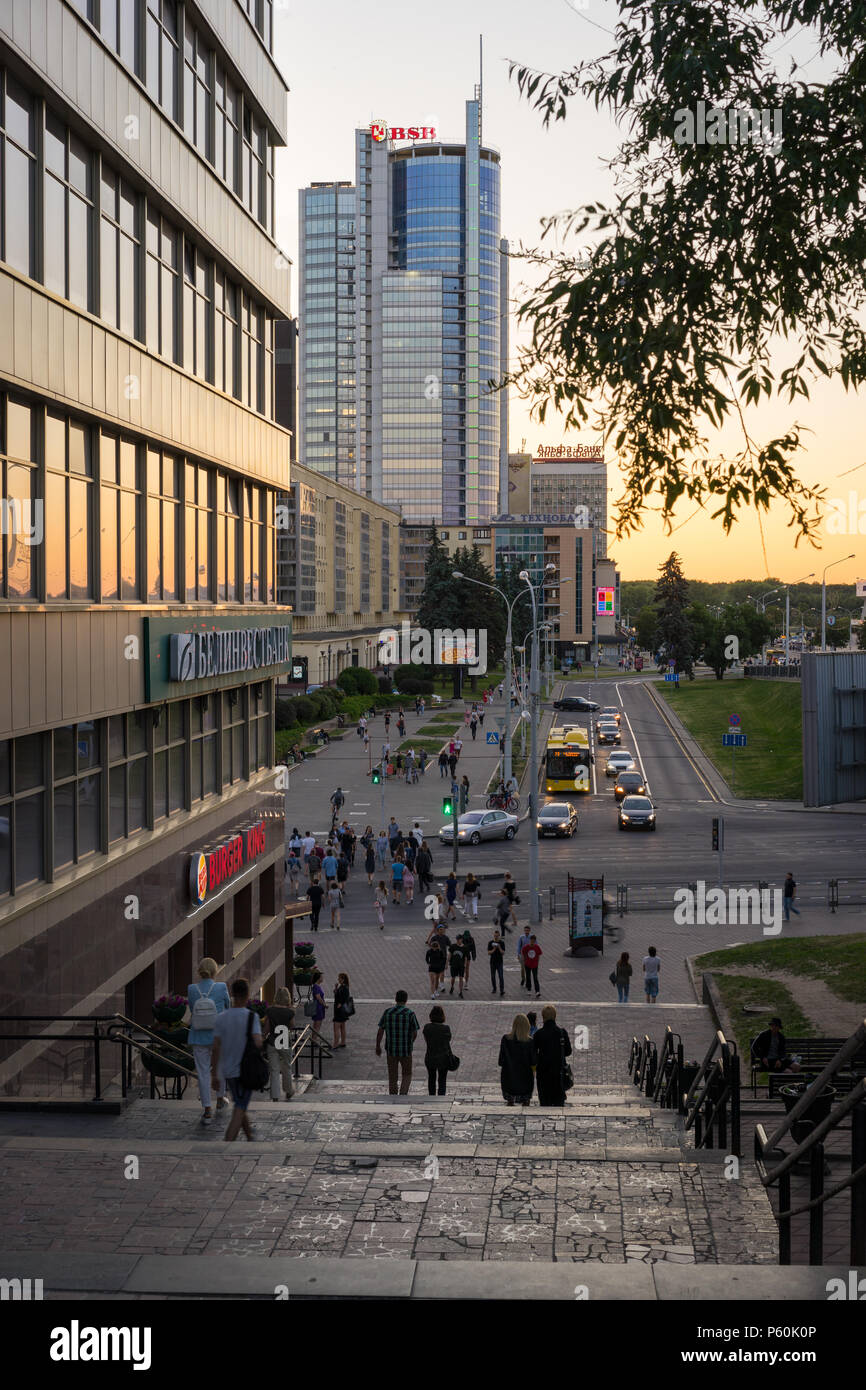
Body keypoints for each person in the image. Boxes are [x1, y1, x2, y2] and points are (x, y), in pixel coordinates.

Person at [210, 977, 263, 1142]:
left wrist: (214, 1075)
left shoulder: (221, 1018)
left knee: (240, 1103)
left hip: (228, 1071)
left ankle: (250, 1137)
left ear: (232, 994)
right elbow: (258, 1042)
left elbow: (216, 1048)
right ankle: (227, 1143)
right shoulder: (251, 1017)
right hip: (245, 1071)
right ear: (247, 994)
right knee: (240, 1108)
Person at [187, 958, 231, 1126]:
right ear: (214, 971)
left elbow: (192, 1009)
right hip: (218, 1036)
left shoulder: (192, 989)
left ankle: (207, 1110)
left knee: (203, 1072)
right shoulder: (221, 987)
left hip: (198, 1036)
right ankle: (220, 1099)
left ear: (200, 971)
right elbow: (227, 1007)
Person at [376, 990, 420, 1095]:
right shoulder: (410, 1014)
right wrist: (410, 1042)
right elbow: (415, 1033)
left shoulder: (387, 1012)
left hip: (391, 1049)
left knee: (392, 1076)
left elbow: (380, 1030)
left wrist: (378, 1045)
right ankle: (403, 1094)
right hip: (406, 1049)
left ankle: (393, 1095)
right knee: (407, 1074)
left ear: (396, 999)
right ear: (406, 1000)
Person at [533, 1003, 572, 1107]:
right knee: (559, 1103)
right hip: (558, 1073)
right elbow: (568, 1051)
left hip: (543, 1073)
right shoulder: (562, 1032)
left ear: (543, 1017)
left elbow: (532, 1054)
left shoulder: (538, 1034)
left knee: (545, 1103)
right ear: (555, 1016)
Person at [263, 987, 295, 1102]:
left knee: (274, 1069)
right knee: (286, 1067)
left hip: (272, 1042)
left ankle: (275, 1095)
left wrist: (263, 1037)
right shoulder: (290, 1012)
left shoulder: (270, 1011)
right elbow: (291, 1026)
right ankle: (288, 1090)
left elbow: (266, 1027)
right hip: (285, 1042)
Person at [498, 1014, 536, 1106]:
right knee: (526, 1103)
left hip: (509, 1079)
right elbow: (534, 1062)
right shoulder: (530, 1042)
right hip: (525, 1080)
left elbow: (501, 1061)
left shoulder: (505, 1039)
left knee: (510, 1102)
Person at [423, 1006, 453, 1096]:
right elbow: (448, 1040)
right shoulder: (446, 1028)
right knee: (442, 1079)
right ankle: (441, 1097)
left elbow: (426, 1040)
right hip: (443, 1057)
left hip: (430, 1056)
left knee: (431, 1078)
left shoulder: (427, 1027)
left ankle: (431, 1095)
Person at [333, 973, 352, 1049]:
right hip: (342, 1011)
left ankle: (335, 1044)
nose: (338, 979)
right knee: (342, 1026)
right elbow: (338, 994)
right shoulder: (343, 987)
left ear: (343, 979)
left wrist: (339, 1005)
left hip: (340, 1011)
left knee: (336, 1027)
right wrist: (336, 988)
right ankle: (343, 1042)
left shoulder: (344, 988)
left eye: (339, 978)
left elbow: (343, 998)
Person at [488, 930, 505, 995]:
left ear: (499, 936)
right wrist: (494, 949)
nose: (496, 937)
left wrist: (499, 947)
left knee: (501, 976)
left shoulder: (502, 943)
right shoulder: (490, 942)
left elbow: (503, 953)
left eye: (497, 936)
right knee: (493, 976)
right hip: (492, 962)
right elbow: (489, 952)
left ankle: (502, 990)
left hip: (499, 962)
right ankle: (494, 988)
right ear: (493, 935)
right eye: (495, 936)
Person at [310, 970, 327, 1035]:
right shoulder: (316, 987)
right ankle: (314, 1040)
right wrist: (324, 1004)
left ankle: (314, 1039)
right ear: (318, 978)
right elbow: (318, 997)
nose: (322, 978)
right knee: (317, 1025)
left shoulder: (317, 986)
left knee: (316, 1025)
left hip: (319, 1007)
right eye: (321, 977)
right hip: (318, 1008)